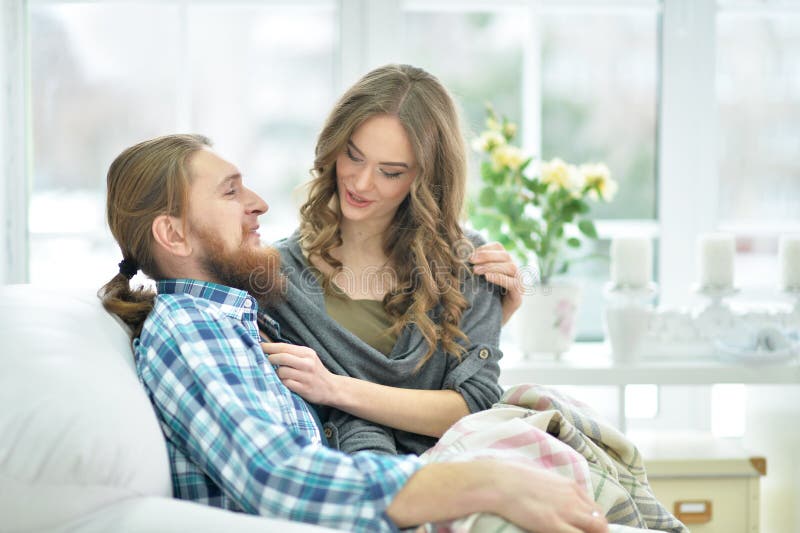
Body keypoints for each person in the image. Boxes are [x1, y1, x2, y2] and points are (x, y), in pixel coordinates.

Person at [99, 133, 607, 533]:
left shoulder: (241, 318)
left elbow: (420, 387)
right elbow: (278, 478)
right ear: (173, 233)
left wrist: (496, 317)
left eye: (391, 171)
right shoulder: (190, 330)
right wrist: (481, 482)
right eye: (231, 192)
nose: (258, 204)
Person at [264, 64, 521, 455]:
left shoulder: (467, 267)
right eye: (353, 156)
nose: (362, 183)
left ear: (425, 178)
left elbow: (474, 405)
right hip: (341, 485)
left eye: (390, 172)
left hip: (452, 475)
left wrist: (334, 387)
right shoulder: (276, 276)